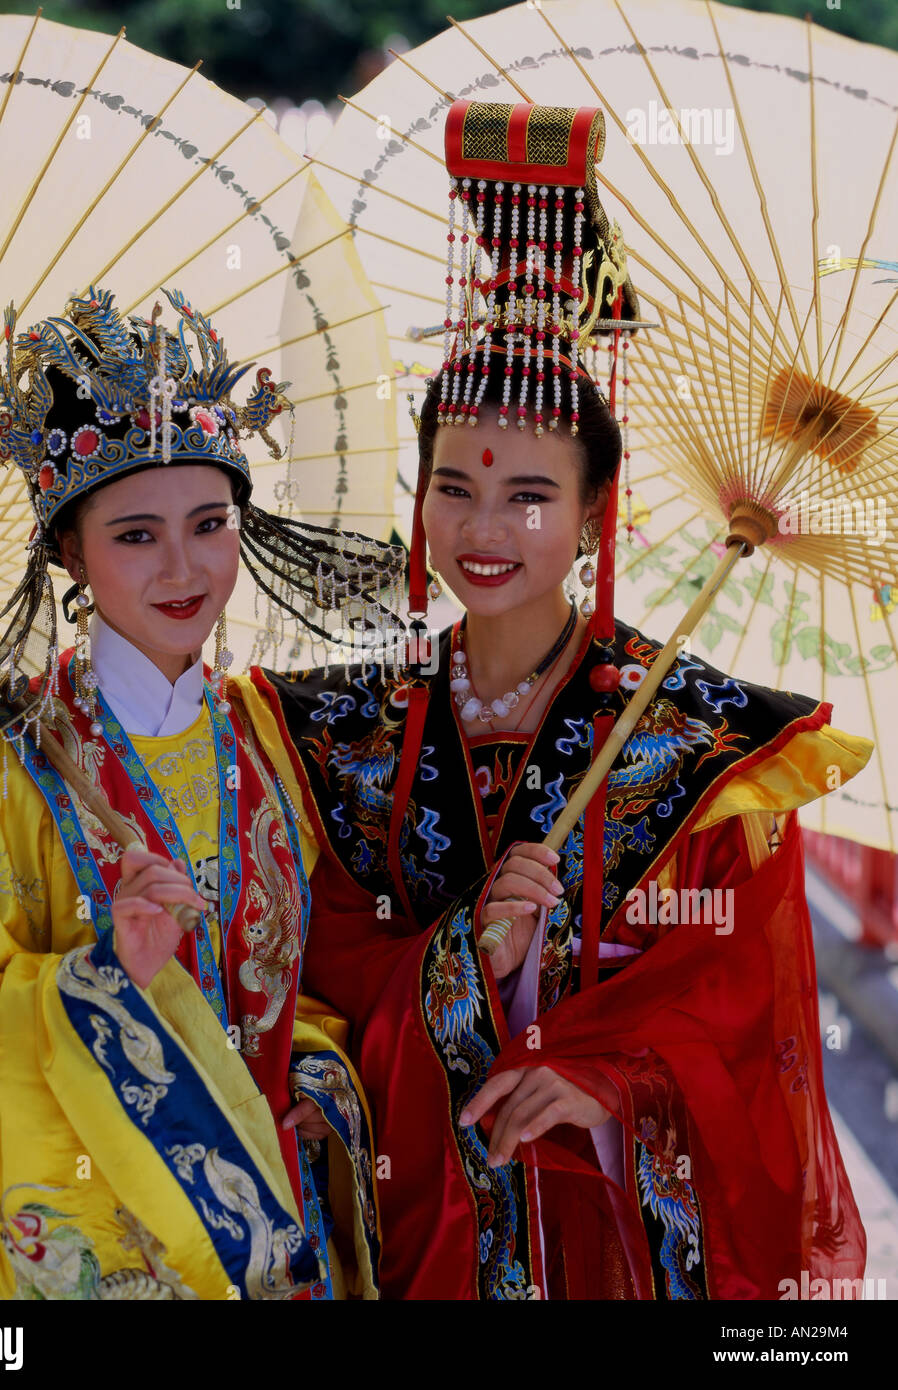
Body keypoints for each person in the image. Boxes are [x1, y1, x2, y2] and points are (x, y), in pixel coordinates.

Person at [238, 101, 875, 1299]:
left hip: (608, 1235)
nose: (485, 529)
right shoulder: (334, 733)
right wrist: (454, 958)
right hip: (411, 1230)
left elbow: (738, 1004)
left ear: (593, 511)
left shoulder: (706, 744)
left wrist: (612, 1082)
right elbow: (302, 968)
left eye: (530, 492)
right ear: (417, 496)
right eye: (453, 486)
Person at [0, 286, 404, 1300]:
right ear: (69, 549)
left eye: (210, 524)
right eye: (134, 536)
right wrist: (96, 976)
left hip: (279, 1243)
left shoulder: (273, 741)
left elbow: (320, 990)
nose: (182, 568)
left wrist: (313, 1089)